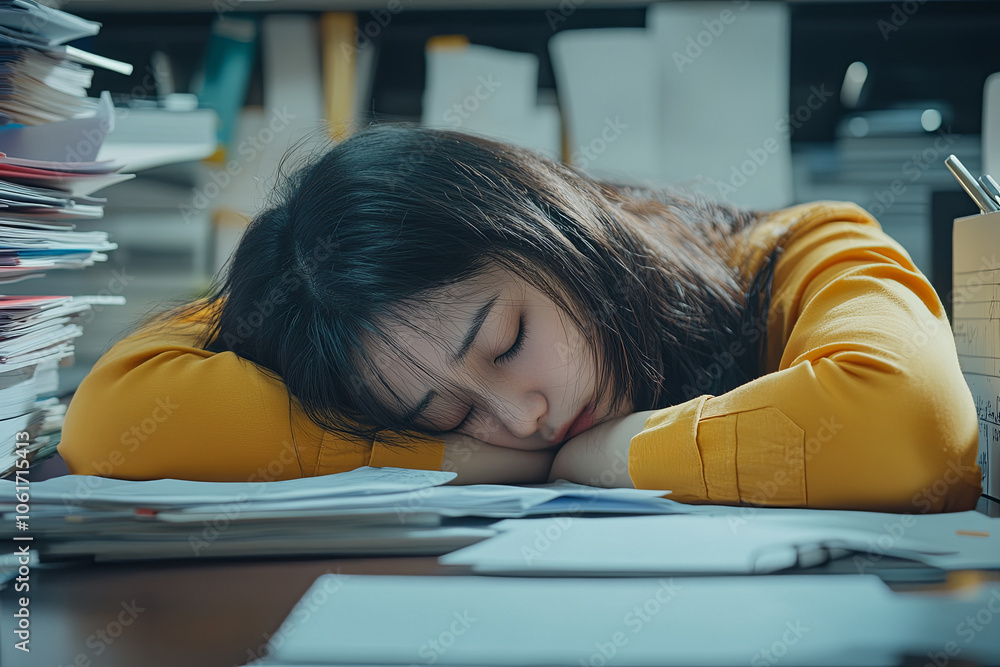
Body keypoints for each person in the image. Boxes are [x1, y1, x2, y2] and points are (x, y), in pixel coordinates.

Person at [57, 123, 982, 513]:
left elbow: (911, 432)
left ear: (551, 228)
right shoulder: (458, 384)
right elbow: (113, 420)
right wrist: (284, 273)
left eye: (506, 342)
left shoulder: (797, 251)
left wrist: (602, 458)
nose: (520, 420)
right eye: (446, 417)